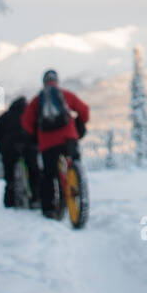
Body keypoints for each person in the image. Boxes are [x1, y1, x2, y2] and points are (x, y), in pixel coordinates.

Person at [21, 69, 90, 219]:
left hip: (48, 143)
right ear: (56, 81)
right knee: (74, 162)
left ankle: (49, 209)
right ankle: (75, 181)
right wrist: (79, 124)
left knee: (49, 175)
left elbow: (26, 122)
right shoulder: (65, 95)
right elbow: (84, 110)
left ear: (44, 82)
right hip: (68, 138)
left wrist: (35, 136)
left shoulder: (37, 100)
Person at [0, 96, 41, 208]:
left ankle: (9, 201)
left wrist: (1, 144)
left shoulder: (6, 115)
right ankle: (36, 198)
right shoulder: (29, 115)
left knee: (9, 176)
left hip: (9, 148)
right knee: (34, 172)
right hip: (27, 147)